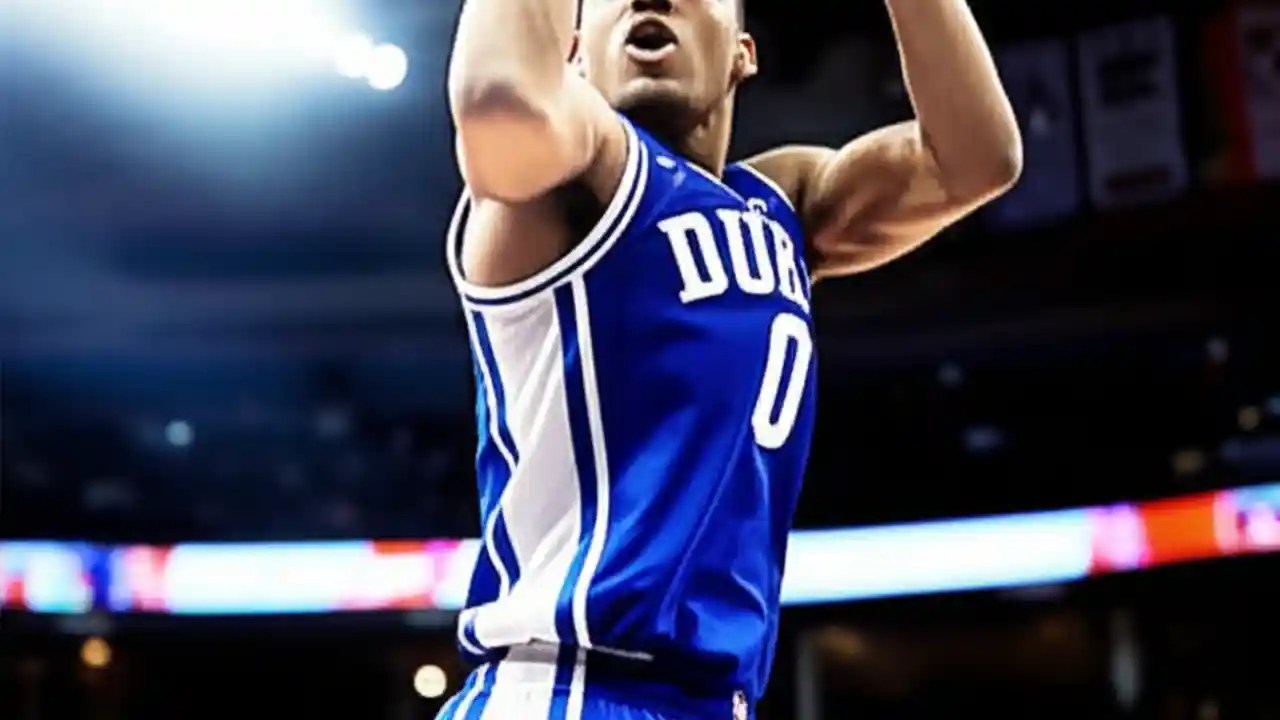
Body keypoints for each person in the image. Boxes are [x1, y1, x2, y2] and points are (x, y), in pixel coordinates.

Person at [437, 0, 1021, 717]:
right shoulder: (573, 179)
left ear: (743, 52)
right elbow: (499, 98)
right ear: (574, 50)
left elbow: (977, 158)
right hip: (568, 687)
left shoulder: (785, 205)